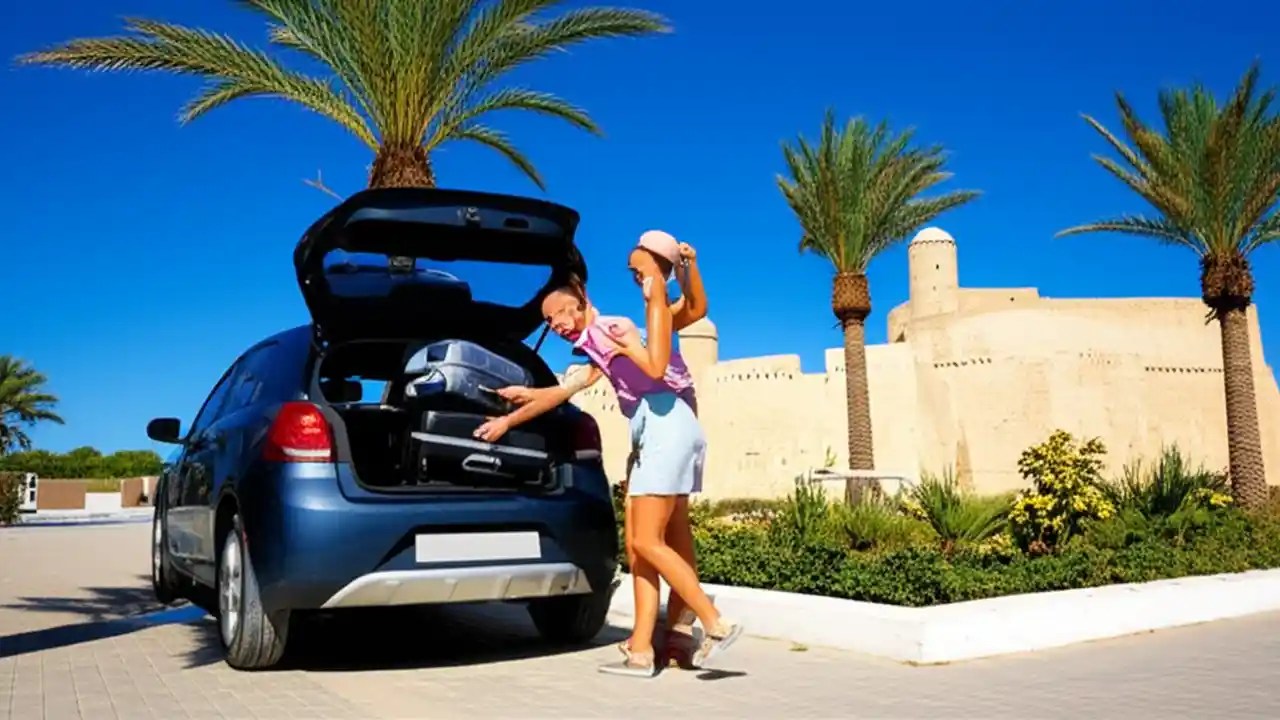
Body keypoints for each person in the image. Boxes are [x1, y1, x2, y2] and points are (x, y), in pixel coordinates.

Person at [474, 231, 742, 677]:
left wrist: (683, 272)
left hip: (664, 428)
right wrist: (513, 412)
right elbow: (566, 389)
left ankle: (712, 623)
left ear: (580, 299)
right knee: (656, 542)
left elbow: (678, 326)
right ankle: (644, 647)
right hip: (661, 432)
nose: (556, 324)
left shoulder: (613, 327)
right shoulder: (601, 341)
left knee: (646, 542)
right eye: (549, 320)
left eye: (559, 312)